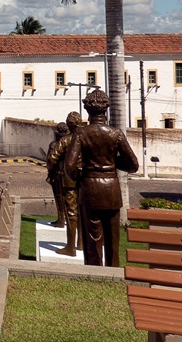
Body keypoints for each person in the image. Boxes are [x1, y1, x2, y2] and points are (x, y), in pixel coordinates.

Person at [64, 90, 139, 267]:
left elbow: (69, 166)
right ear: (106, 109)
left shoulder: (81, 134)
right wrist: (112, 162)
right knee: (113, 237)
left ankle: (95, 271)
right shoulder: (116, 133)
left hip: (90, 188)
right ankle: (113, 270)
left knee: (92, 238)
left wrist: (79, 178)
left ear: (87, 110)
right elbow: (133, 165)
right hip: (111, 189)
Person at [49, 111, 83, 256]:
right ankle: (81, 243)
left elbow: (52, 158)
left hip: (69, 179)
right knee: (81, 210)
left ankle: (70, 247)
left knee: (71, 212)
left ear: (69, 124)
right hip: (84, 179)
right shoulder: (87, 138)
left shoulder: (66, 140)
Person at [45, 121, 69, 227]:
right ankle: (70, 221)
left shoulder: (54, 144)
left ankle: (61, 219)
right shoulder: (72, 143)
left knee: (59, 197)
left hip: (58, 175)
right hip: (70, 175)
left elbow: (50, 161)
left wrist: (49, 172)